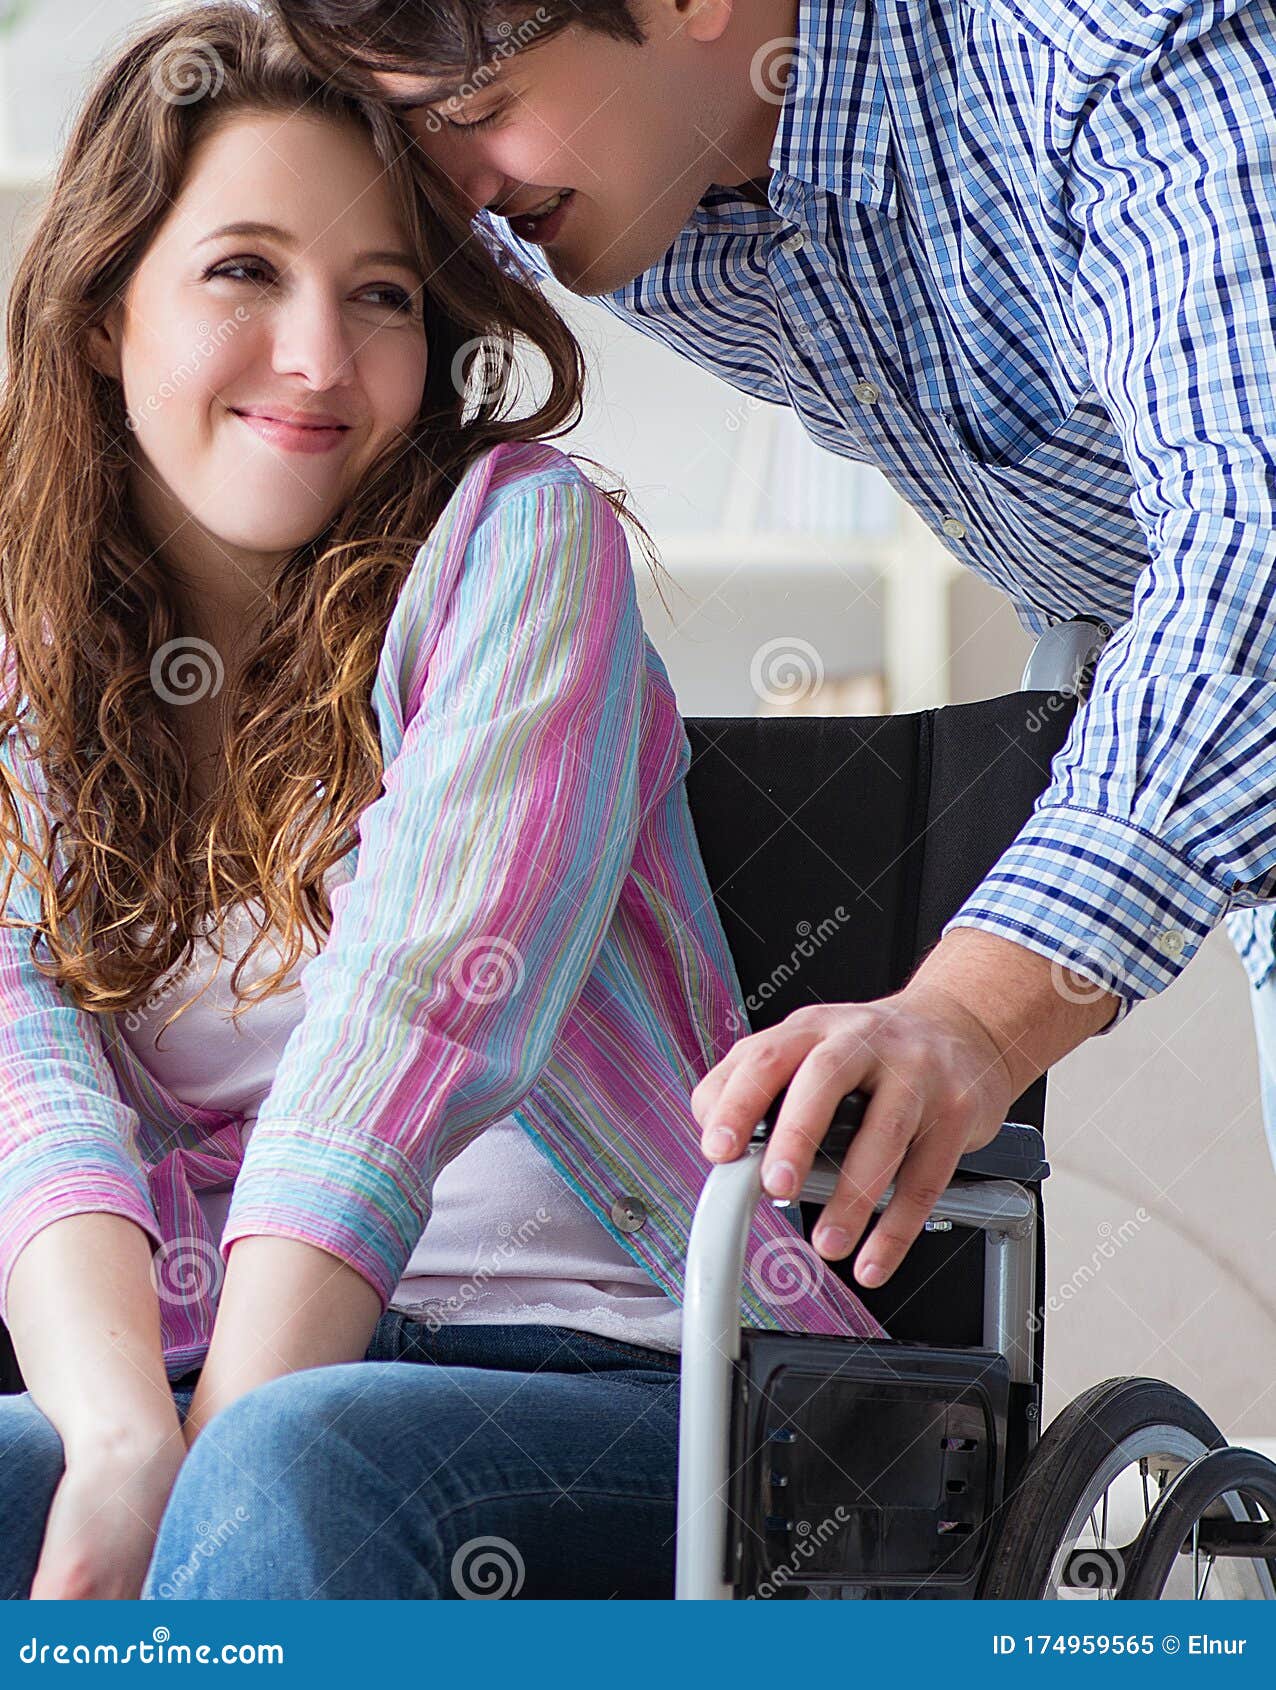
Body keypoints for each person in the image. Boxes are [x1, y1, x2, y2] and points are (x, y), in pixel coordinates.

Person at [0, 2, 884, 1602]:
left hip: (616, 1368)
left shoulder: (520, 544)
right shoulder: (26, 649)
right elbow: (25, 1069)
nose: (319, 356)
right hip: (209, 1363)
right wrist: (126, 1442)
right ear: (105, 311)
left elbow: (413, 1013)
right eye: (245, 270)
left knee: (287, 1461)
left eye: (382, 293)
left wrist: (216, 1442)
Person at [274, 0, 1276, 1278]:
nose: (452, 194)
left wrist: (972, 1012)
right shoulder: (617, 161)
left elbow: (1253, 564)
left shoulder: (1117, 52)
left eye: (475, 113)